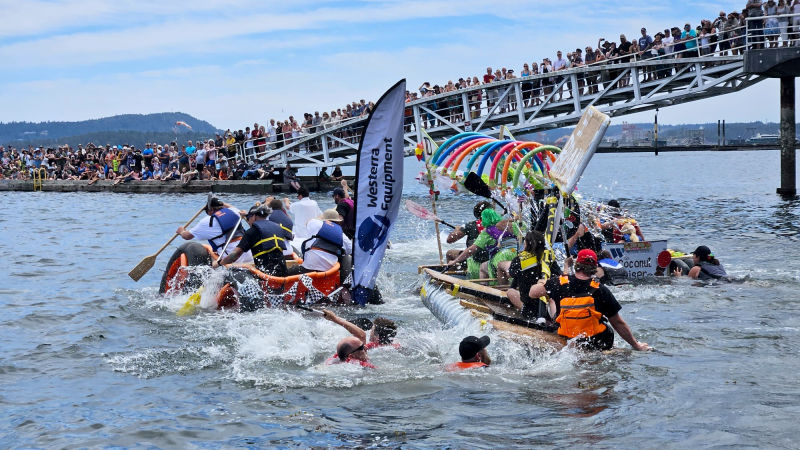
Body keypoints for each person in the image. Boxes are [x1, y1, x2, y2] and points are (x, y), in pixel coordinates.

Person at [529, 249, 651, 351]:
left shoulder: (558, 283)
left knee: (553, 306)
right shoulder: (600, 290)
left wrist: (543, 282)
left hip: (568, 338)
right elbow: (618, 323)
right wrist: (636, 345)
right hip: (596, 342)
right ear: (595, 268)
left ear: (577, 266)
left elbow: (532, 293)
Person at [449, 208, 522, 284]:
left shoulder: (487, 231)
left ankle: (486, 290)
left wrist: (455, 261)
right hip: (517, 253)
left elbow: (472, 249)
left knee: (483, 267)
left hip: (502, 255)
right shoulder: (513, 225)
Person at [214, 203, 288, 276]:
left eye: (248, 218)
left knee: (233, 274)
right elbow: (259, 227)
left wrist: (219, 263)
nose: (248, 221)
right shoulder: (277, 228)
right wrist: (246, 216)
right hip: (283, 271)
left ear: (254, 216)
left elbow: (234, 255)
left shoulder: (251, 232)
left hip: (265, 275)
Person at [176, 195, 253, 263]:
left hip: (230, 256)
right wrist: (219, 202)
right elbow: (230, 206)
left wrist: (181, 231)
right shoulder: (235, 211)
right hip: (248, 250)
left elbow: (187, 236)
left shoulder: (207, 221)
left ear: (211, 210)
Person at [507, 231, 561, 320]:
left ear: (526, 244)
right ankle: (554, 317)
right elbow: (559, 275)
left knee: (510, 292)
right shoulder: (548, 259)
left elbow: (511, 274)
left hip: (529, 305)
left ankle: (525, 311)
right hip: (546, 305)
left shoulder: (519, 259)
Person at [288, 209, 352, 275]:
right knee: (347, 257)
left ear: (324, 219)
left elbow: (308, 222)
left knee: (285, 272)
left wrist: (320, 218)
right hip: (329, 272)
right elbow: (349, 250)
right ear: (338, 222)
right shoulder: (343, 236)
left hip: (308, 268)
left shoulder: (316, 224)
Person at [445, 201, 492, 266]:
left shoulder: (471, 225)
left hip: (475, 258)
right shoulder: (499, 224)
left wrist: (457, 230)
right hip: (492, 257)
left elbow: (450, 240)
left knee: (449, 253)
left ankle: (455, 273)